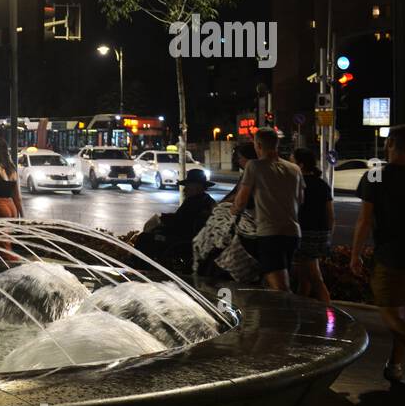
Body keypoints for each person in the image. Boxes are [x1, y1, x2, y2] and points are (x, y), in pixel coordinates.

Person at [351, 124, 405, 391]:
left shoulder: (375, 177)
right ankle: (394, 366)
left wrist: (355, 255)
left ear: (391, 143)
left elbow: (364, 221)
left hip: (391, 254)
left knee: (388, 311)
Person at [232, 128, 303, 292]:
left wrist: (233, 210)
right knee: (279, 280)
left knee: (280, 287)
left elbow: (241, 200)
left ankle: (287, 316)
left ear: (258, 145)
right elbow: (300, 200)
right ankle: (277, 314)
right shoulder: (294, 169)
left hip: (271, 233)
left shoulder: (254, 166)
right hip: (293, 233)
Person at [135, 168, 216, 267]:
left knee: (144, 238)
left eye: (188, 186)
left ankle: (142, 266)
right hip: (192, 239)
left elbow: (182, 222)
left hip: (184, 241)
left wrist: (163, 222)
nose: (185, 190)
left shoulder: (196, 203)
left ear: (198, 187)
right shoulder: (206, 200)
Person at [293, 146, 333, 304]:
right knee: (305, 278)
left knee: (315, 278)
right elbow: (330, 215)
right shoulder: (322, 184)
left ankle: (328, 310)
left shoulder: (298, 183)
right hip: (321, 234)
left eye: (292, 161)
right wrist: (329, 236)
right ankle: (301, 309)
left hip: (305, 233)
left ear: (301, 165)